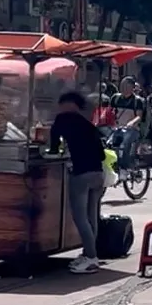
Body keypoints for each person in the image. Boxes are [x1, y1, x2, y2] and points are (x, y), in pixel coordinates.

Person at [50, 89, 107, 274]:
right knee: (92, 217)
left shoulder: (62, 119)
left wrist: (56, 150)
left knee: (80, 217)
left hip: (81, 174)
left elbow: (53, 145)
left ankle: (91, 258)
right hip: (98, 174)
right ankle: (90, 254)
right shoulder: (89, 125)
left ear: (67, 104)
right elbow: (101, 153)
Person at [114, 76, 146, 172]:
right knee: (109, 144)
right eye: (122, 85)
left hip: (132, 129)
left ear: (132, 88)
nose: (123, 88)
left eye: (126, 86)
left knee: (125, 143)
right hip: (117, 128)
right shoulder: (115, 98)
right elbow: (110, 112)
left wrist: (131, 122)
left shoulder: (138, 101)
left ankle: (125, 168)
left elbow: (139, 116)